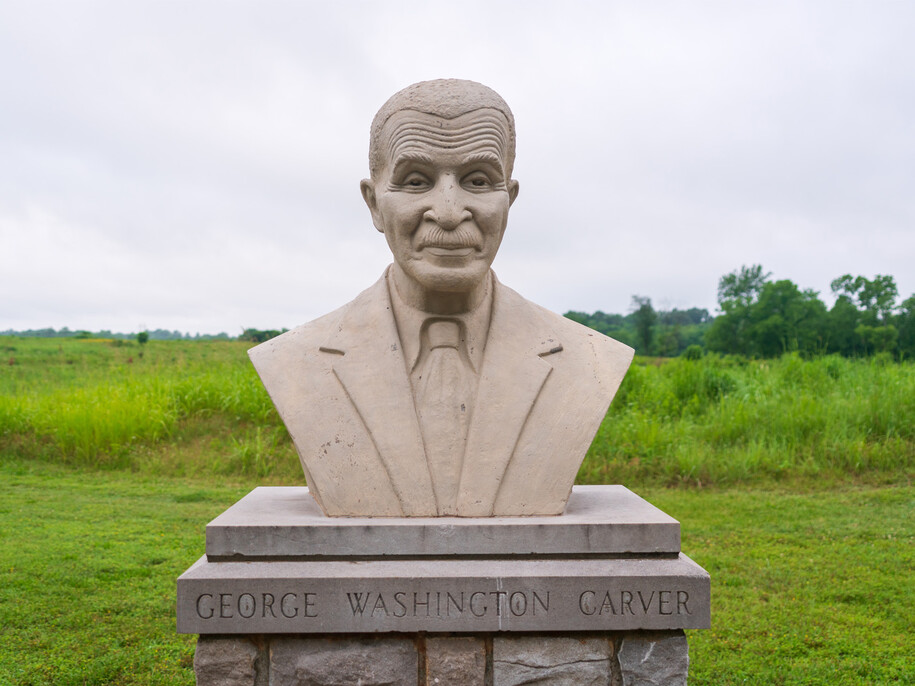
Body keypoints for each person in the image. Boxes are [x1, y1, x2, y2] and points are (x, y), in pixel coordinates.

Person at [250, 79, 632, 517]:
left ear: (509, 200)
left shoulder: (589, 361)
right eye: (415, 181)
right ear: (374, 204)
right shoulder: (296, 363)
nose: (449, 213)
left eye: (477, 180)